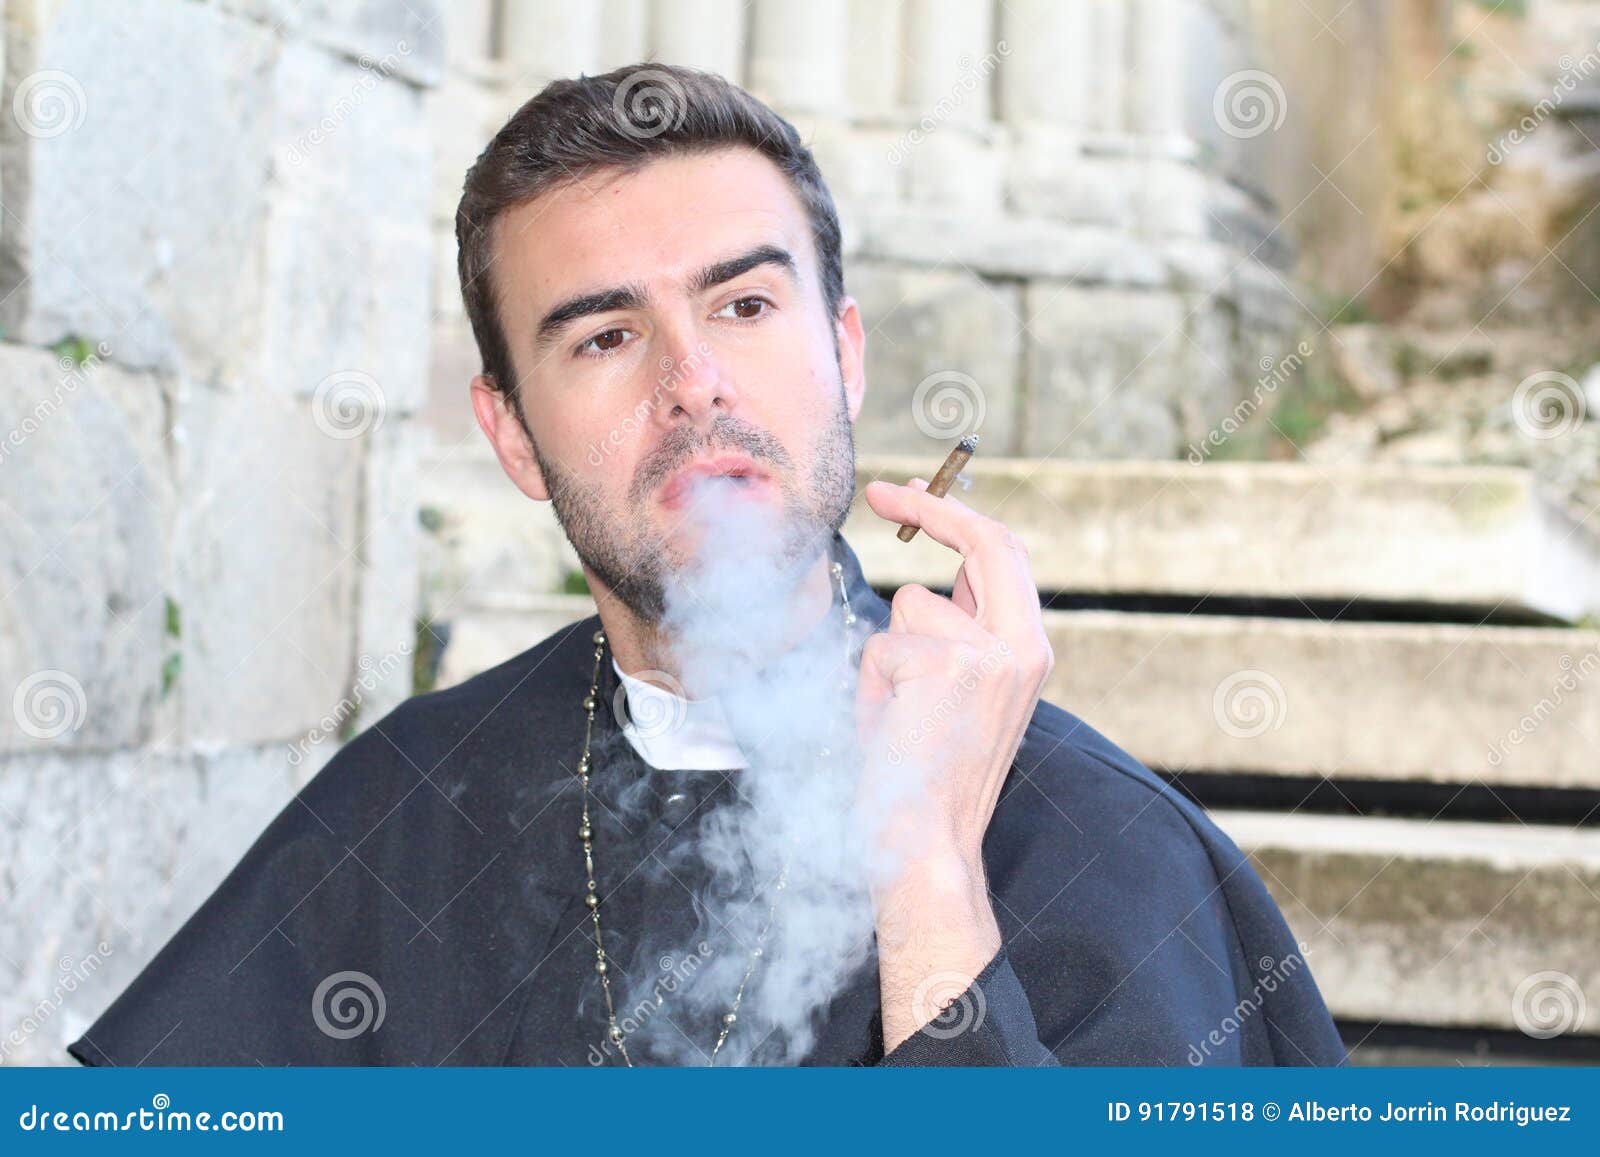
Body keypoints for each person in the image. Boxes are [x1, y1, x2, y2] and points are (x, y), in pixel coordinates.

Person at [69, 63, 1345, 1068]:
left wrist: (928, 875)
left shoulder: (1094, 838)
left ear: (844, 354)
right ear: (513, 432)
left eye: (744, 305)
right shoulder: (402, 805)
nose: (694, 384)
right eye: (606, 335)